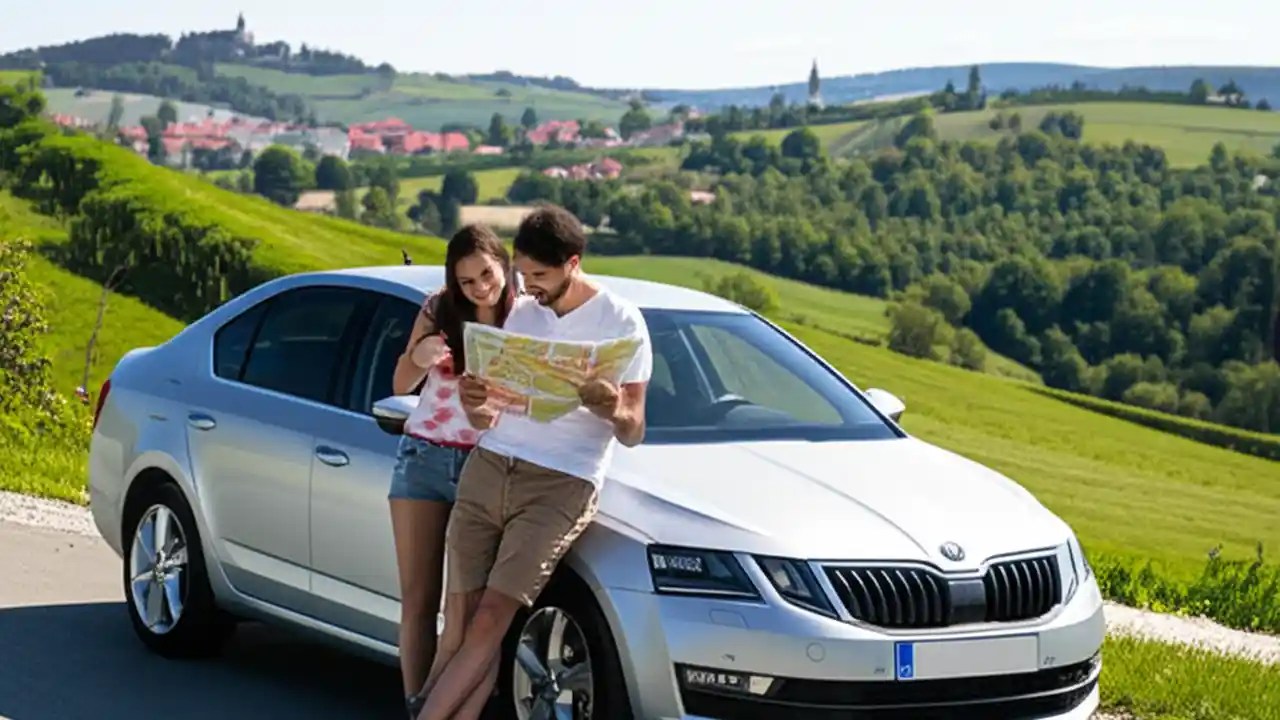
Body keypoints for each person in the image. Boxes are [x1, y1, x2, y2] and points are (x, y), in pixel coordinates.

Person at [417, 204, 652, 720]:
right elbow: (485, 420)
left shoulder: (621, 323)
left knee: (490, 621)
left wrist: (609, 404)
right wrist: (476, 401)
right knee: (457, 618)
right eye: (522, 274)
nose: (528, 286)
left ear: (573, 262)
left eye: (538, 276)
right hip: (491, 464)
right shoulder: (521, 313)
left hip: (561, 482)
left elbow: (633, 429)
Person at [388, 223, 520, 720]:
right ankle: (415, 706)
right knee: (418, 601)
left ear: (503, 264)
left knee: (464, 611)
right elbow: (402, 380)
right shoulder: (438, 308)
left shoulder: (526, 316)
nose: (480, 287)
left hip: (485, 466)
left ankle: (447, 710)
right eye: (467, 281)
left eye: (486, 274)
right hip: (421, 458)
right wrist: (419, 356)